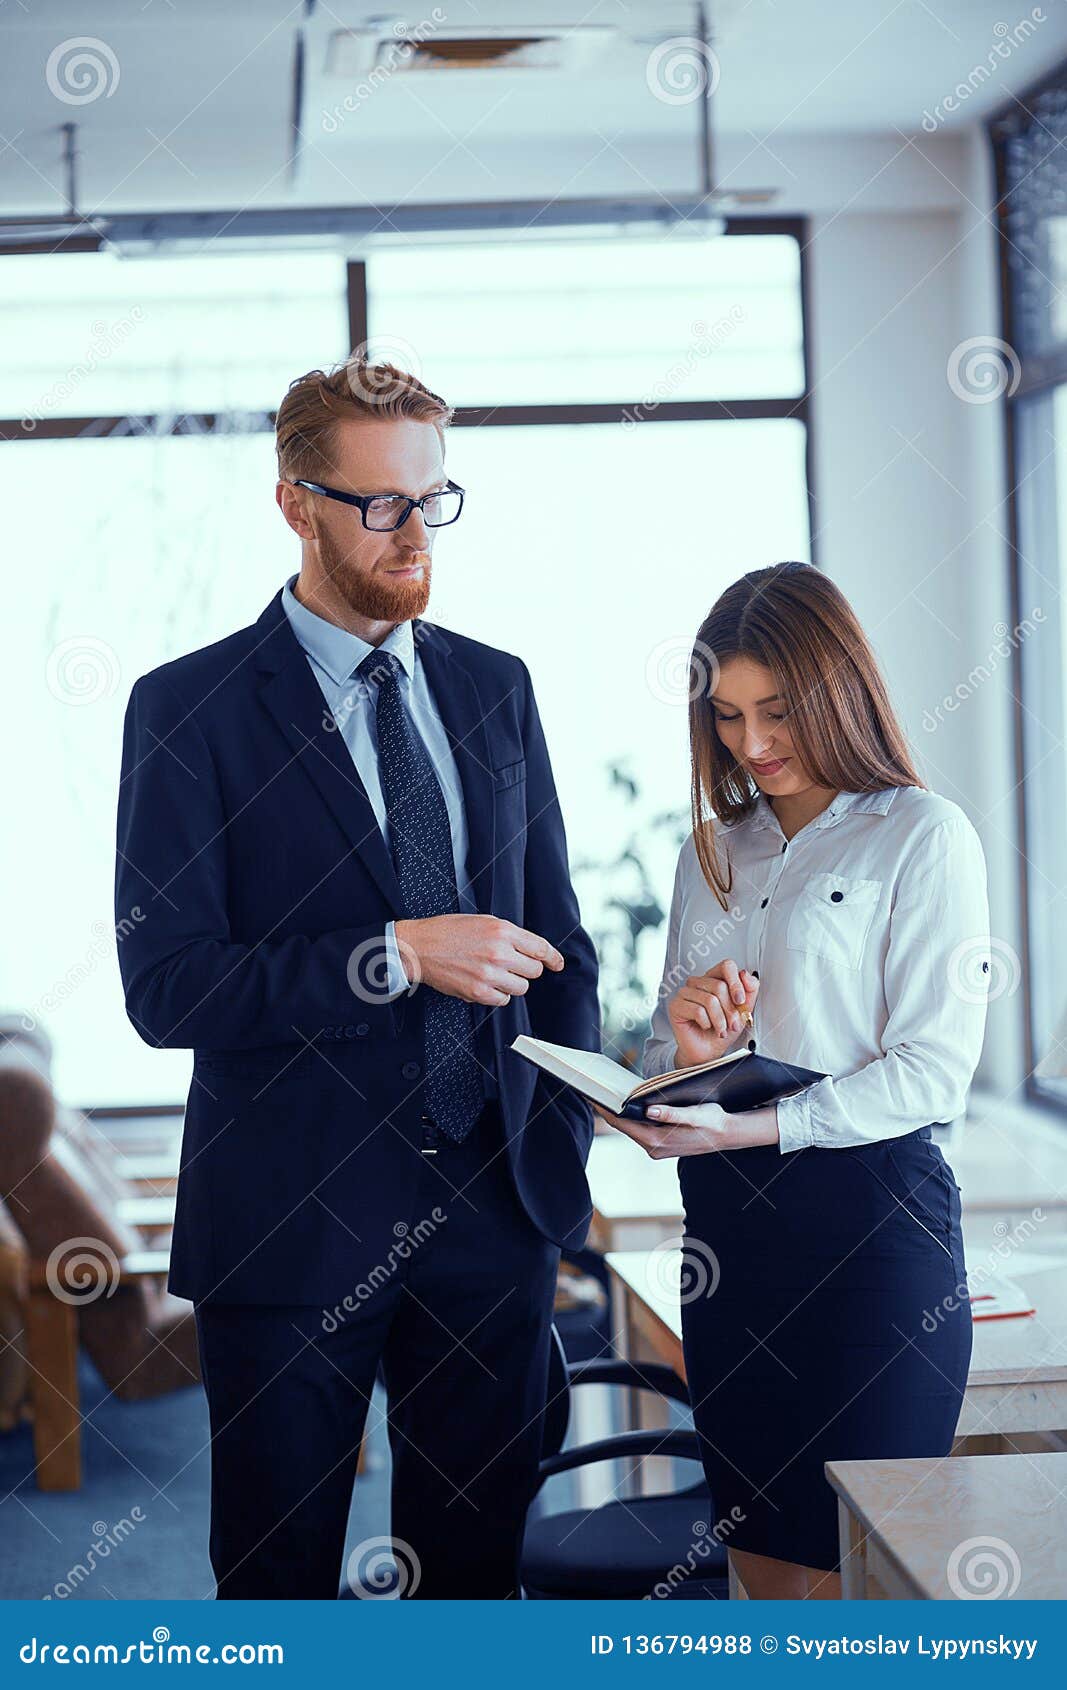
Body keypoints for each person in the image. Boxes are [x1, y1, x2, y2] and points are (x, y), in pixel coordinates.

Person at [114, 356, 599, 1599]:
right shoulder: (190, 709)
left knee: (475, 1579)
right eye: (377, 503)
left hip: (490, 1217)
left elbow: (557, 940)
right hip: (290, 1225)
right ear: (294, 502)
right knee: (275, 1582)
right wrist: (393, 956)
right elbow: (168, 986)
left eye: (430, 499)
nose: (410, 531)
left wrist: (560, 1149)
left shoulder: (496, 687)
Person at [597, 561, 989, 1599]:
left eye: (775, 710)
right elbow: (667, 1053)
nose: (750, 742)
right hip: (728, 1245)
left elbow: (932, 1072)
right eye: (725, 716)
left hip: (868, 1239)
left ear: (836, 688)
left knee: (865, 1580)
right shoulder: (712, 851)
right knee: (763, 1574)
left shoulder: (920, 834)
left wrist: (760, 1125)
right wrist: (676, 1049)